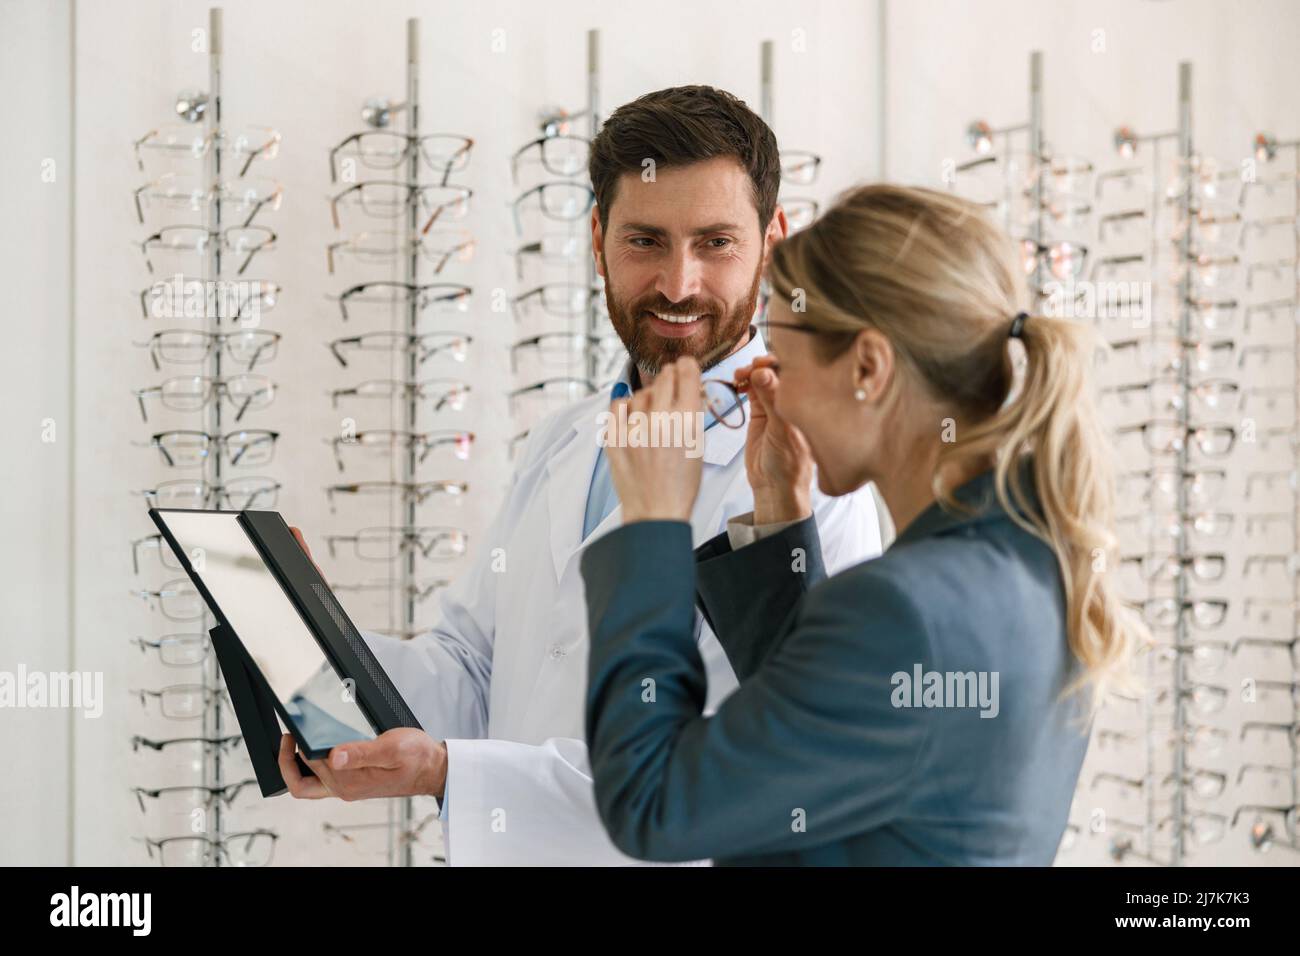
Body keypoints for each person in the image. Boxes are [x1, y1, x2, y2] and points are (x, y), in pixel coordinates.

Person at [278, 86, 882, 865]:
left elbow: (738, 778)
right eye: (645, 241)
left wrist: (451, 774)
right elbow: (471, 670)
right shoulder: (567, 439)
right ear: (598, 237)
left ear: (772, 240)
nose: (677, 284)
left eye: (716, 243)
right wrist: (324, 652)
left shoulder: (810, 476)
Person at [580, 183, 1145, 865]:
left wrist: (652, 523)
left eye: (782, 360)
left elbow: (653, 804)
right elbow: (819, 745)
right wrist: (782, 520)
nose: (769, 386)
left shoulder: (906, 609)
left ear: (868, 367)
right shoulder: (1031, 563)